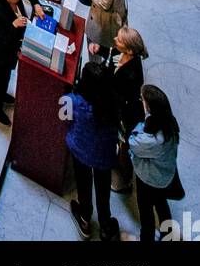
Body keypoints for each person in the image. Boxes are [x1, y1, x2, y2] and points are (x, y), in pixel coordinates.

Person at [66, 59, 120, 241]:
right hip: (104, 154)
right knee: (103, 188)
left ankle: (84, 217)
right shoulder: (112, 104)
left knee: (83, 182)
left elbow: (63, 116)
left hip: (81, 149)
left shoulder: (76, 102)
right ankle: (105, 224)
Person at [128, 84, 182, 243]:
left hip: (148, 179)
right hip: (165, 176)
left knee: (146, 212)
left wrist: (140, 125)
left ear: (149, 107)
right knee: (161, 203)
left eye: (142, 100)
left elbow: (134, 143)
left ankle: (146, 238)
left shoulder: (151, 139)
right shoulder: (170, 123)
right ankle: (169, 235)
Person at [109, 26, 148, 195]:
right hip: (119, 108)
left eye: (119, 40)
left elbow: (124, 97)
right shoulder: (122, 55)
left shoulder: (132, 74)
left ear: (130, 50)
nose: (115, 40)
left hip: (126, 115)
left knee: (124, 147)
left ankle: (125, 181)